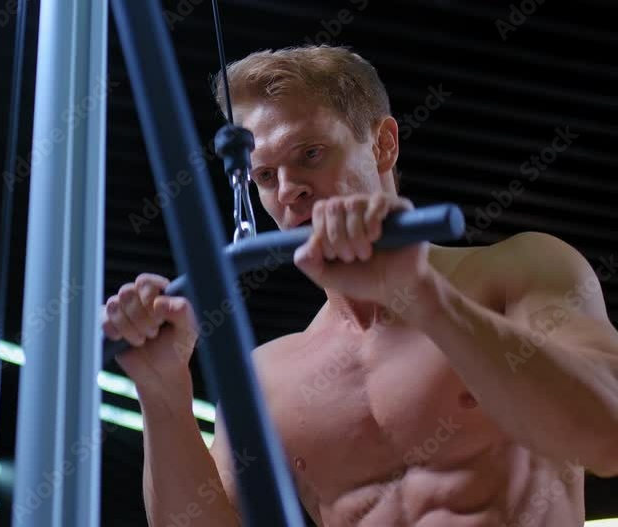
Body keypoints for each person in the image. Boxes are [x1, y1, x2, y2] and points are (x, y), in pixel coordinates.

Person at [101, 45, 618, 526]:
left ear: (383, 143)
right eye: (263, 176)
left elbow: (608, 436)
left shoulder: (519, 271)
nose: (289, 190)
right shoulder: (268, 375)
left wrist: (421, 294)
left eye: (310, 154)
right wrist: (163, 393)